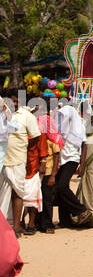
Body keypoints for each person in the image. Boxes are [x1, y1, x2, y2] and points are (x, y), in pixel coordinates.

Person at [0, 100, 40, 234]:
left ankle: (16, 226)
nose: (12, 103)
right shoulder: (3, 113)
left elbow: (35, 136)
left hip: (18, 159)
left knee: (17, 192)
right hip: (2, 160)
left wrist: (24, 147)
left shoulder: (27, 115)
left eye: (15, 101)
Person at [52, 102, 89, 228]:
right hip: (60, 159)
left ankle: (81, 210)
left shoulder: (79, 127)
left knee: (62, 186)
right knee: (59, 189)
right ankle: (65, 220)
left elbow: (84, 145)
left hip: (72, 159)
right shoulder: (59, 127)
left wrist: (82, 164)